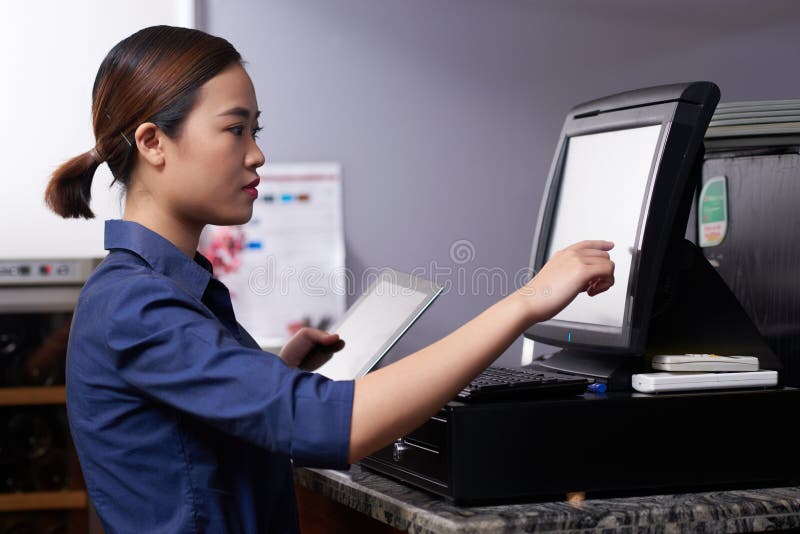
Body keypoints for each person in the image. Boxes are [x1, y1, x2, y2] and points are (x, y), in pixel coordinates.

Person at [45, 25, 614, 534]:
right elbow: (333, 427)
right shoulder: (136, 305)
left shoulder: (162, 288)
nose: (257, 154)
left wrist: (277, 373)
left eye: (255, 130)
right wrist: (527, 301)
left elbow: (185, 441)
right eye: (235, 130)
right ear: (153, 143)